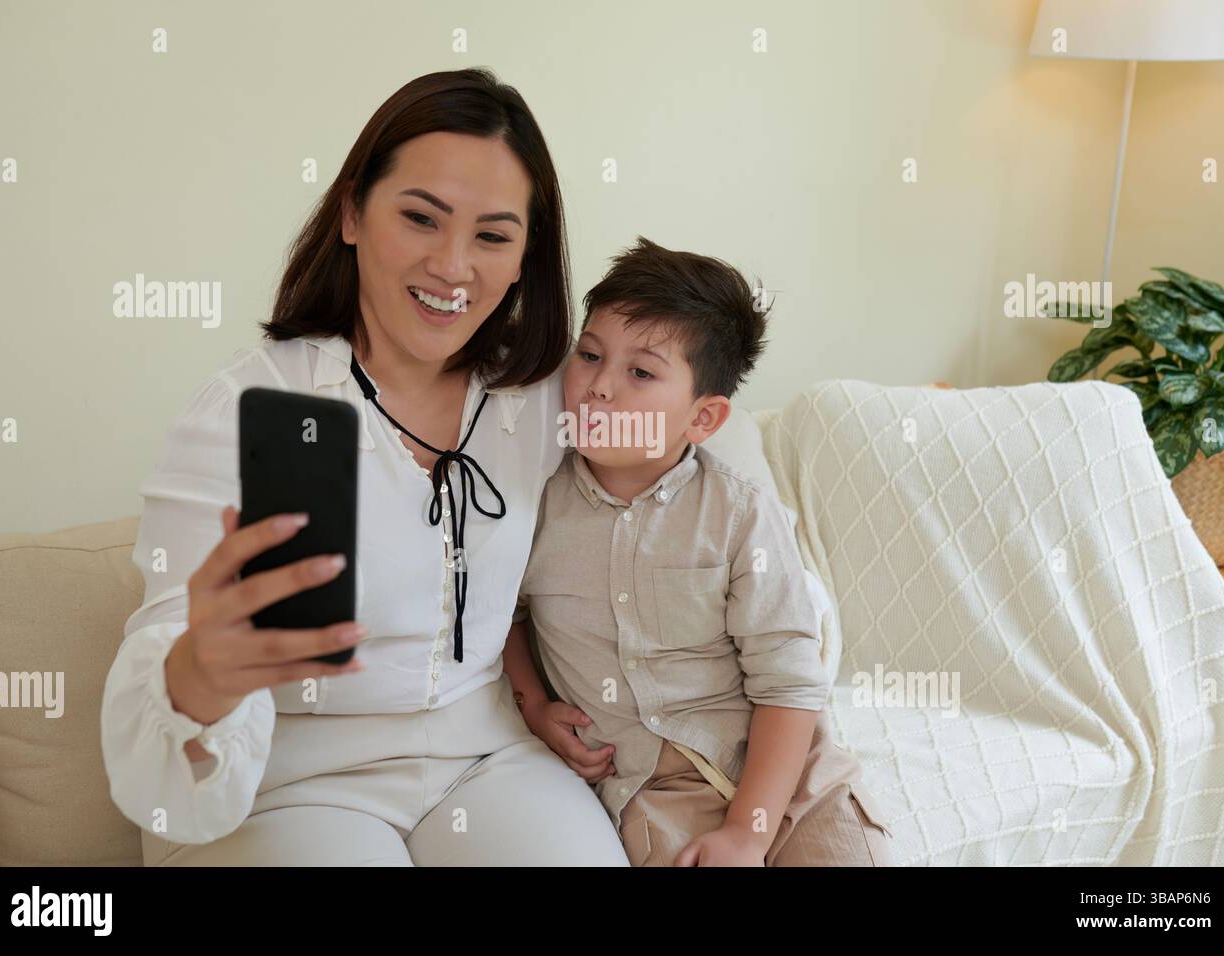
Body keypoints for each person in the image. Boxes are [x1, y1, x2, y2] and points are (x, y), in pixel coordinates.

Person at [100, 68, 628, 866]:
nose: (454, 267)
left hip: (483, 756)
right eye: (421, 218)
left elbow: (697, 470)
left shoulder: (542, 399)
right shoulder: (251, 405)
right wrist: (195, 681)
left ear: (525, 257)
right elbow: (171, 637)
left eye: (492, 235)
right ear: (352, 213)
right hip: (284, 774)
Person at [505, 237, 894, 866]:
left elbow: (788, 683)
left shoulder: (740, 514)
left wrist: (749, 832)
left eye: (641, 372)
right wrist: (533, 704)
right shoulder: (534, 505)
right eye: (590, 355)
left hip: (789, 779)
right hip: (654, 789)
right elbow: (504, 615)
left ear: (704, 418)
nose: (599, 387)